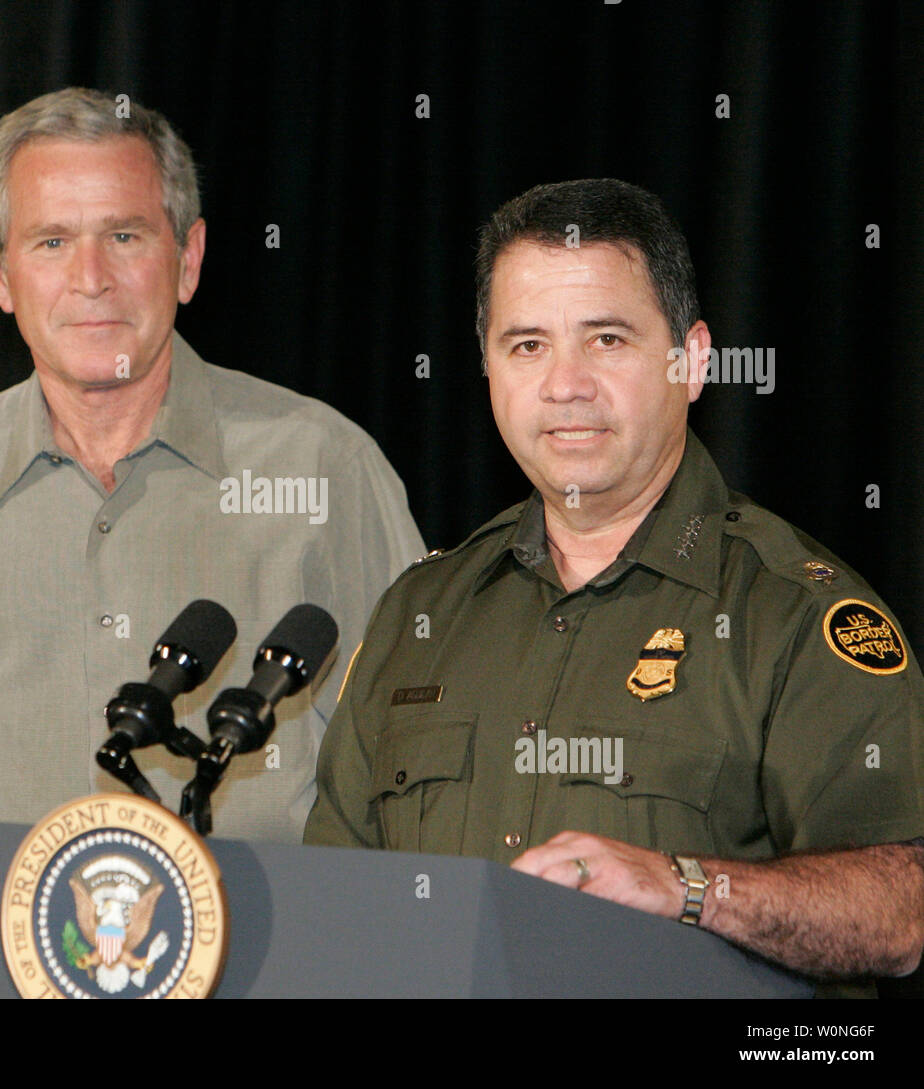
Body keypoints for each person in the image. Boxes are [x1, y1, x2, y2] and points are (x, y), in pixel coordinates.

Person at [0, 88, 424, 994]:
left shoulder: (328, 472)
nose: (92, 277)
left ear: (188, 258)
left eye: (125, 235)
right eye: (51, 242)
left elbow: (413, 775)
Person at [304, 178, 924, 990]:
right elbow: (333, 909)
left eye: (606, 340)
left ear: (693, 360)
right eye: (527, 344)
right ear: (486, 366)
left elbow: (901, 910)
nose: (565, 384)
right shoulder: (420, 612)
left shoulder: (793, 613)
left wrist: (688, 887)